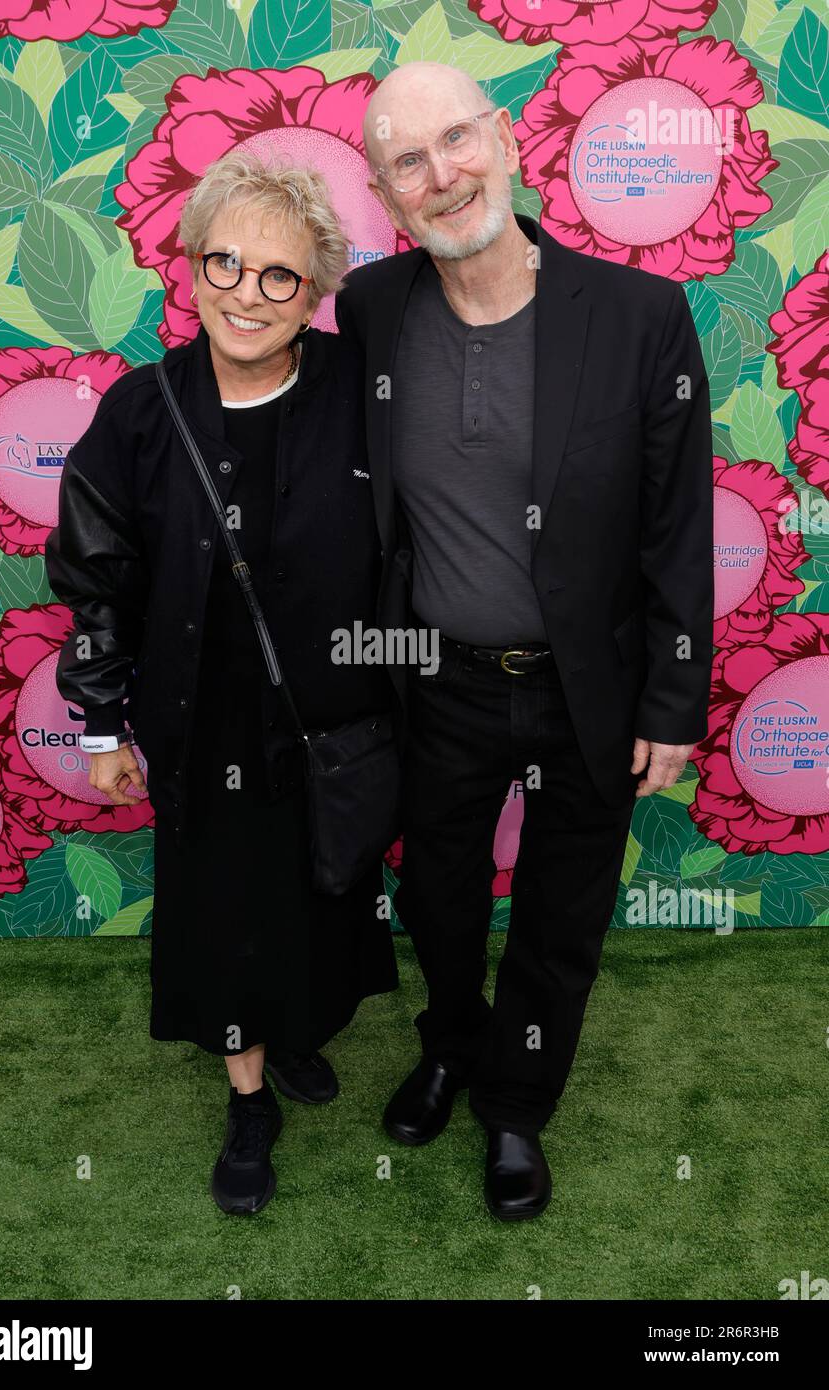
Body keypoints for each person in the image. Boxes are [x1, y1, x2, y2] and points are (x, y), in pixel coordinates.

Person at [335, 62, 713, 1220]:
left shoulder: (640, 316)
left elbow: (677, 520)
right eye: (410, 161)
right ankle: (450, 1045)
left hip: (586, 686)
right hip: (435, 684)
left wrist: (671, 703)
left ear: (504, 139)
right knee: (439, 896)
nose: (442, 174)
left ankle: (515, 1106)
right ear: (389, 195)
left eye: (456, 139)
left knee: (561, 914)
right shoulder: (371, 309)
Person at [45, 152, 399, 1216]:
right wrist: (101, 721)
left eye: (279, 275)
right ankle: (248, 1097)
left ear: (318, 289)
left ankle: (294, 1034)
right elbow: (96, 574)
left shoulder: (360, 392)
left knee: (322, 887)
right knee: (223, 908)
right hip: (201, 722)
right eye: (225, 263)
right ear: (191, 270)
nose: (247, 292)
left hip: (329, 715)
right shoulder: (140, 412)